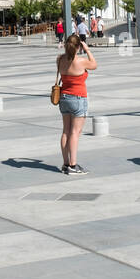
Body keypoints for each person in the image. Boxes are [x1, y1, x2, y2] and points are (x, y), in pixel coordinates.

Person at [56, 33, 97, 175]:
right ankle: (73, 165)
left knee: (65, 131)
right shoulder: (81, 61)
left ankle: (65, 163)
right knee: (75, 132)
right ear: (78, 46)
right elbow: (94, 65)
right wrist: (88, 49)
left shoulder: (60, 59)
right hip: (78, 98)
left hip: (64, 98)